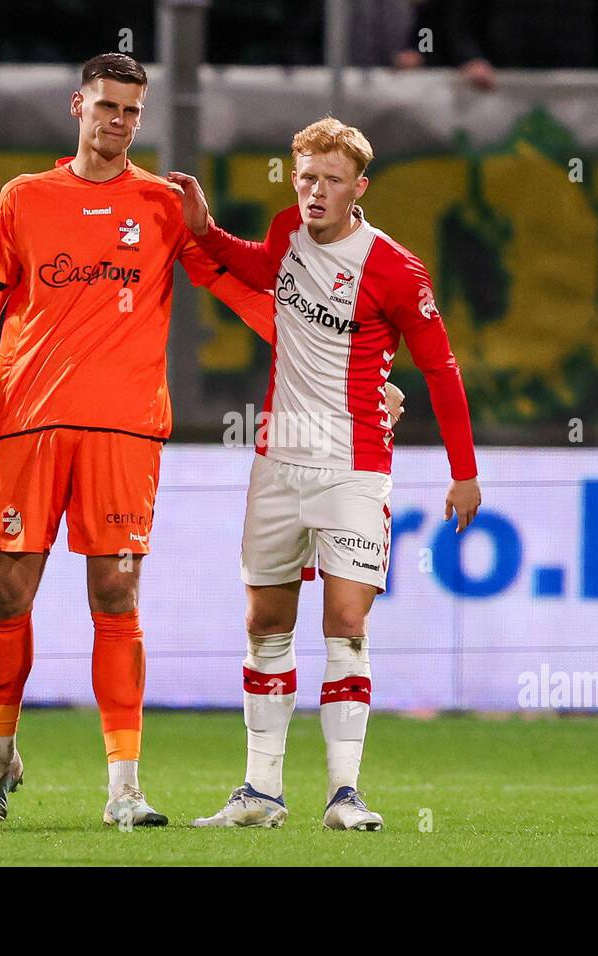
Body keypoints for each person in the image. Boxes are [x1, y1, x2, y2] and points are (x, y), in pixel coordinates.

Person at [0, 52, 279, 827]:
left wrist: (330, 364)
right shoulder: (24, 198)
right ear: (77, 107)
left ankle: (124, 787)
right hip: (29, 427)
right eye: (106, 106)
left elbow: (229, 287)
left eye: (132, 110)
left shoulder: (161, 204)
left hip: (125, 433)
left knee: (115, 594)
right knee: (5, 593)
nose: (118, 121)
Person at [168, 117, 481, 830]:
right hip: (278, 462)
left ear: (358, 187)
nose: (314, 190)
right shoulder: (285, 234)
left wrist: (464, 472)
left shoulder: (396, 269)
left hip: (354, 467)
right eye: (305, 175)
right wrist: (206, 231)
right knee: (265, 624)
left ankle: (345, 794)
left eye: (331, 179)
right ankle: (259, 793)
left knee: (346, 622)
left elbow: (441, 367)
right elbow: (252, 268)